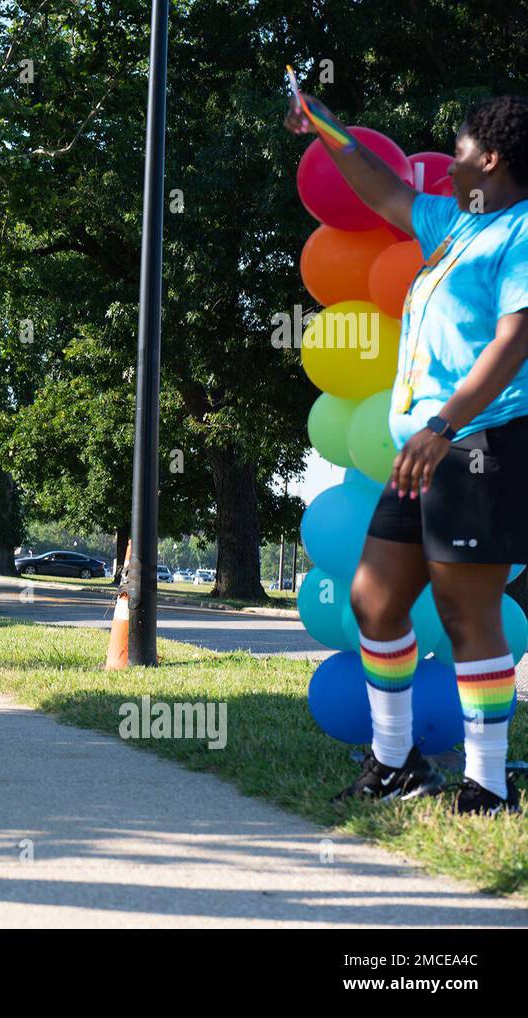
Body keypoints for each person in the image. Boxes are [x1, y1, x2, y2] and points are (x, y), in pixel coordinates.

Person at [286, 94, 528, 814]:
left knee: (466, 612)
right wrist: (322, 122)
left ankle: (487, 782)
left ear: (489, 158)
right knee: (373, 599)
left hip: (477, 442)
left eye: (455, 150)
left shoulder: (520, 232)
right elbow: (384, 189)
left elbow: (514, 342)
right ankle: (397, 765)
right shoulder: (453, 225)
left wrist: (445, 427)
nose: (445, 164)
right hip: (422, 449)